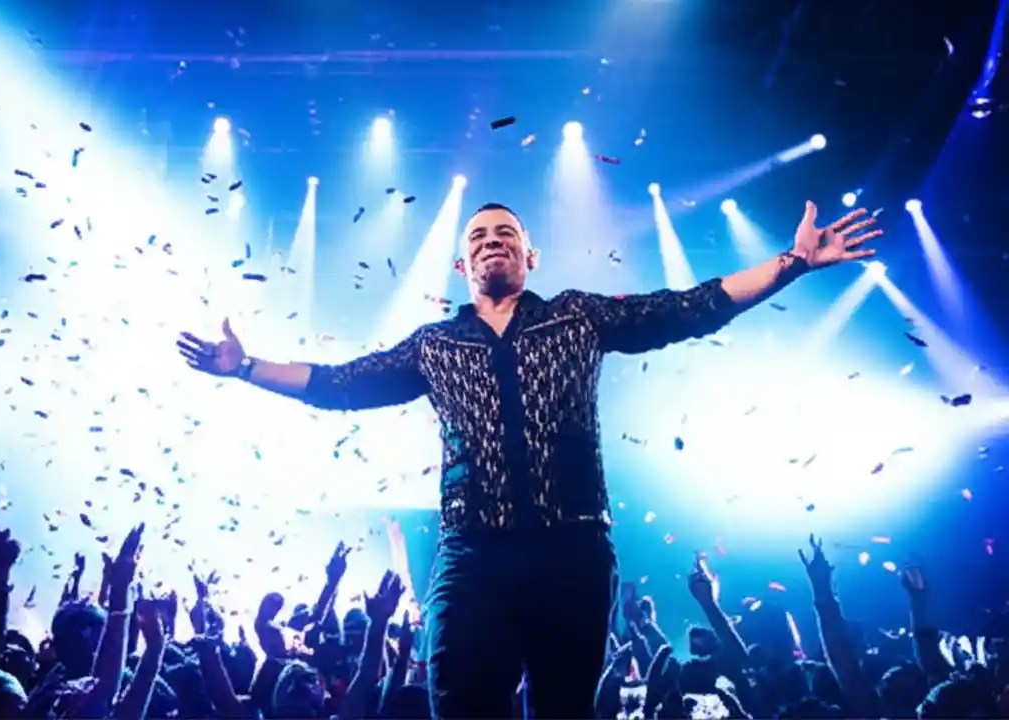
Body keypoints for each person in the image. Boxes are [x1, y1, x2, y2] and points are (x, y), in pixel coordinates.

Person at [176, 200, 881, 718]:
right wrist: (246, 368)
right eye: (479, 237)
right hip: (473, 554)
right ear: (462, 265)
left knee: (564, 708)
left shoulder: (578, 316)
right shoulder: (435, 345)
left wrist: (793, 263)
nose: (493, 243)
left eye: (506, 234)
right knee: (461, 700)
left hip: (571, 548)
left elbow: (689, 307)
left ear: (529, 257)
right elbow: (341, 384)